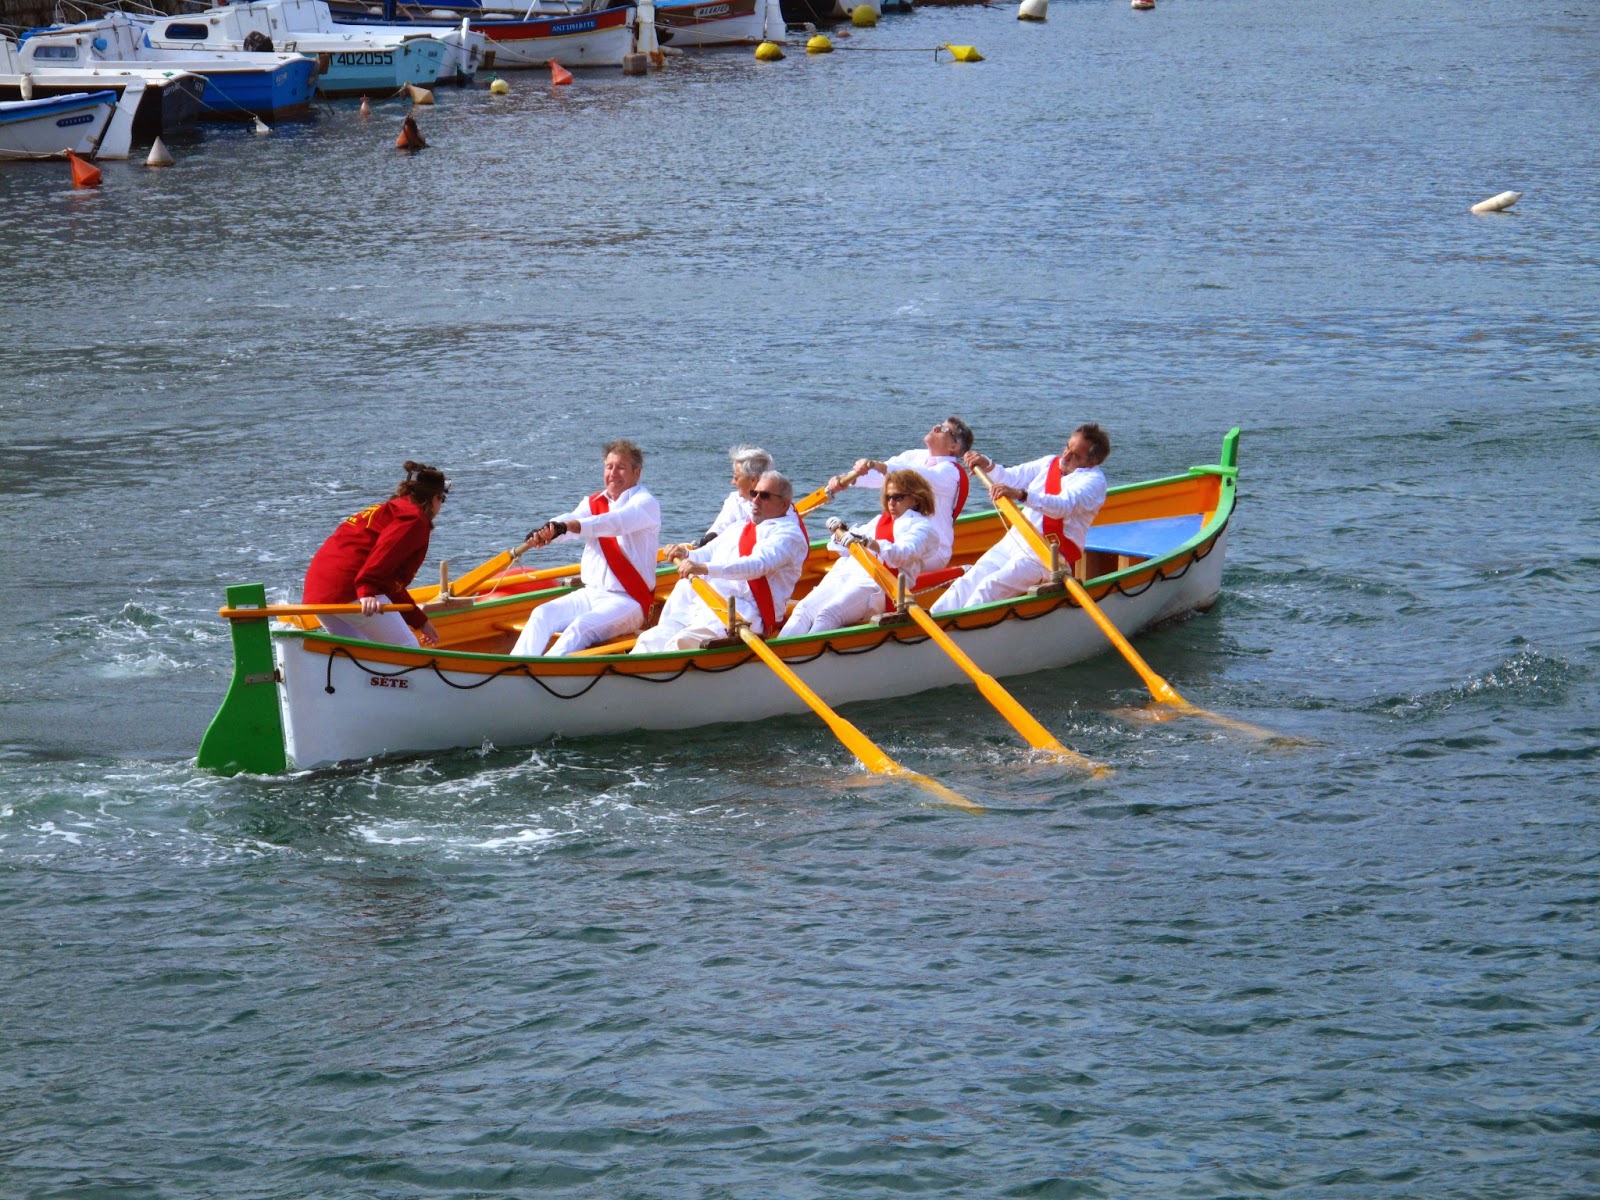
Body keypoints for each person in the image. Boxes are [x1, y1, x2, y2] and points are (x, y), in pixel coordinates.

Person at [931, 423, 1111, 614]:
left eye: (1075, 455)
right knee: (967, 582)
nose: (1065, 456)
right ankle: (930, 622)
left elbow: (1062, 506)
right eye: (1067, 447)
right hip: (1016, 539)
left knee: (990, 586)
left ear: (1092, 462)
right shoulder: (1049, 462)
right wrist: (988, 464)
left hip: (1045, 554)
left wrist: (1022, 495)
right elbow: (1011, 477)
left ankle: (957, 630)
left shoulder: (1094, 482)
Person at [510, 439, 661, 657]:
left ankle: (544, 671)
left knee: (580, 627)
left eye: (621, 467)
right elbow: (571, 520)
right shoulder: (593, 502)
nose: (613, 473)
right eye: (609, 467)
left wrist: (568, 526)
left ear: (637, 473)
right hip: (591, 593)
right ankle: (515, 666)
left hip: (629, 601)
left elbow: (614, 522)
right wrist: (549, 531)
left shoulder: (645, 504)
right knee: (542, 614)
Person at [631, 471, 809, 653]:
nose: (755, 500)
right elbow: (707, 552)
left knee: (679, 645)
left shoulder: (789, 535)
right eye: (754, 493)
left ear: (784, 504)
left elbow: (757, 565)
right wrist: (685, 553)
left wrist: (704, 568)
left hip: (743, 612)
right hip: (702, 601)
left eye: (764, 496)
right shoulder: (740, 526)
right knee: (648, 640)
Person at [302, 460, 449, 648]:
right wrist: (367, 589)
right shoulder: (413, 519)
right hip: (350, 587)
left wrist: (420, 622)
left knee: (355, 653)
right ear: (434, 498)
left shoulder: (390, 510)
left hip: (319, 589)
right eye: (442, 500)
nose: (441, 506)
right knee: (407, 648)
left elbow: (388, 580)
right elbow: (383, 555)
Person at [782, 469, 941, 638]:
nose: (891, 503)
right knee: (803, 609)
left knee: (828, 614)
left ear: (916, 498)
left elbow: (902, 554)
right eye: (888, 497)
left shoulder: (922, 527)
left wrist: (870, 542)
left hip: (878, 584)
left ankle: (805, 656)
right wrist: (841, 534)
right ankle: (778, 653)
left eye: (898, 497)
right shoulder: (880, 520)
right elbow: (843, 548)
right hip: (847, 574)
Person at [825, 416, 973, 570]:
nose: (935, 428)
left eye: (944, 430)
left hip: (930, 548)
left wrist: (877, 465)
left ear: (954, 447)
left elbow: (912, 477)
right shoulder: (914, 456)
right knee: (846, 562)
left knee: (866, 563)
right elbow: (883, 475)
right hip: (899, 534)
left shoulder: (950, 472)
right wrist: (848, 479)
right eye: (938, 425)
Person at [663, 445, 776, 559]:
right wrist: (694, 550)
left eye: (736, 477)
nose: (733, 482)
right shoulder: (735, 501)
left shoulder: (780, 510)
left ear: (753, 480)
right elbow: (717, 531)